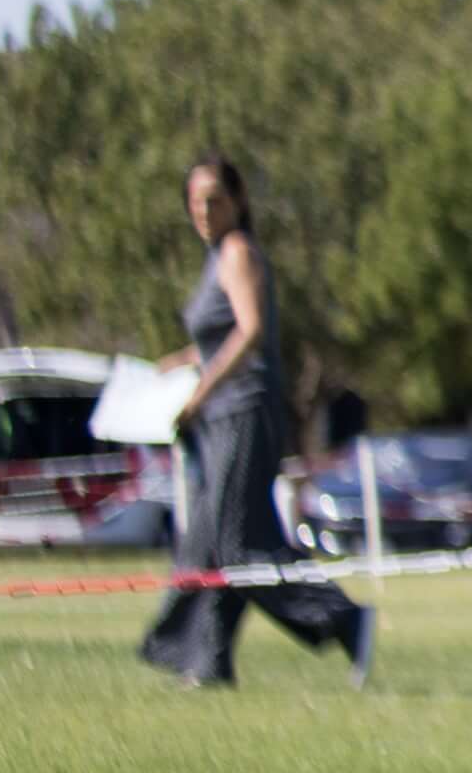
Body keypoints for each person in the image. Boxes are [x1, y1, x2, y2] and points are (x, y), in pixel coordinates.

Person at [138, 156, 373, 691]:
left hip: (243, 412)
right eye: (195, 202)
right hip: (219, 417)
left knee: (238, 543)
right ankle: (208, 662)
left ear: (239, 201)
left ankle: (344, 619)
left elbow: (249, 332)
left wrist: (200, 392)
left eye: (214, 200)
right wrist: (178, 364)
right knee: (211, 540)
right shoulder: (216, 257)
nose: (204, 211)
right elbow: (218, 341)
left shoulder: (238, 252)